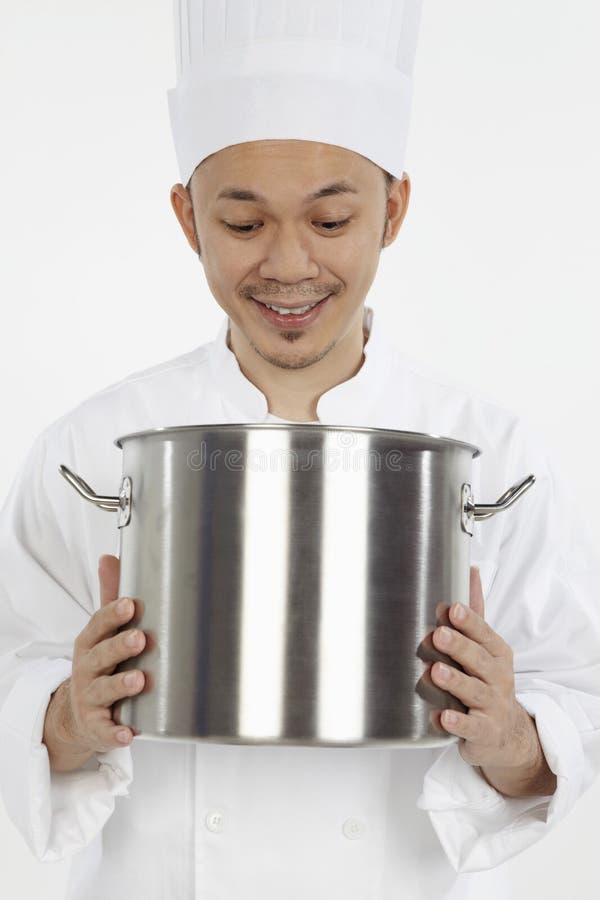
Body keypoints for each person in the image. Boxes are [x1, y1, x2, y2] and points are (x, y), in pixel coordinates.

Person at [1, 2, 599, 898]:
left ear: (393, 209)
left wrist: (510, 733)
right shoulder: (89, 449)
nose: (289, 266)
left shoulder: (492, 456)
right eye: (242, 225)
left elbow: (574, 716)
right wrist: (66, 721)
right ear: (186, 218)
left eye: (330, 222)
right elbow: (12, 682)